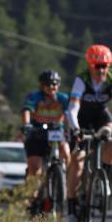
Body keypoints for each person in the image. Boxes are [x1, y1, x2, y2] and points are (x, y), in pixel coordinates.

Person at [66, 44, 112, 222]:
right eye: (98, 66)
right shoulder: (81, 80)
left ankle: (104, 177)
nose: (102, 70)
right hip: (81, 120)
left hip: (101, 116)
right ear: (90, 65)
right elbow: (72, 109)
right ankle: (71, 211)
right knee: (77, 163)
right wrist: (76, 130)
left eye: (105, 66)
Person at [20, 69, 71, 203]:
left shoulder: (63, 99)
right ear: (42, 86)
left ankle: (64, 179)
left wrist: (72, 128)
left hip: (56, 132)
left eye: (54, 84)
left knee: (66, 151)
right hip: (37, 133)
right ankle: (32, 199)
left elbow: (71, 114)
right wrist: (26, 125)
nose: (51, 87)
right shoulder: (34, 96)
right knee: (35, 168)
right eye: (48, 84)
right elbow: (27, 110)